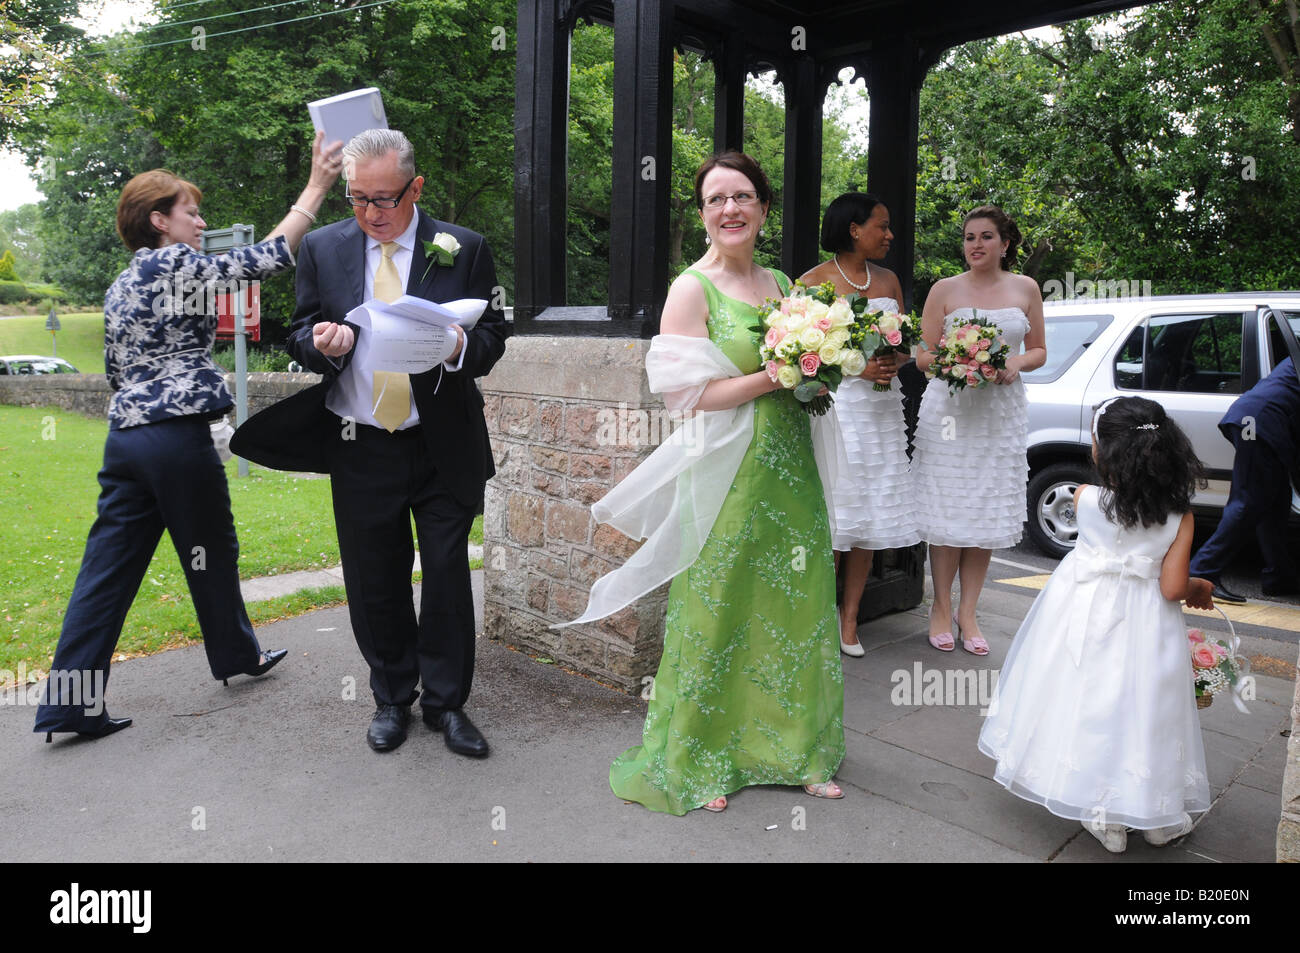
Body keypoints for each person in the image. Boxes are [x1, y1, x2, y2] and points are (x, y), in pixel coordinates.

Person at [34, 131, 343, 742]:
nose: (200, 221)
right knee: (212, 548)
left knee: (106, 571)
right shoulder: (172, 262)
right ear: (159, 220)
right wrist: (317, 186)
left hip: (125, 442)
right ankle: (236, 655)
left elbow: (120, 373)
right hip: (175, 442)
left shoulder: (123, 282)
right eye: (190, 212)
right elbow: (263, 259)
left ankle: (69, 704)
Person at [563, 152, 845, 814]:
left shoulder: (781, 282)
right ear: (702, 214)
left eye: (743, 196)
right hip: (727, 471)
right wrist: (775, 377)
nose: (730, 209)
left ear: (764, 208)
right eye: (716, 199)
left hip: (791, 468)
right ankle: (704, 754)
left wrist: (821, 370)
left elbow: (805, 367)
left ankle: (799, 751)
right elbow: (686, 396)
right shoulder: (692, 289)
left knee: (796, 608)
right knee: (717, 604)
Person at [231, 129, 508, 756]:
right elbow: (298, 330)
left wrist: (463, 346)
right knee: (374, 579)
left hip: (441, 442)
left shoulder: (462, 247)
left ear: (415, 188)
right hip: (359, 442)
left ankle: (446, 706)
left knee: (444, 577)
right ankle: (391, 698)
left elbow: (493, 329)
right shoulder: (325, 249)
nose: (371, 214)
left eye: (385, 199)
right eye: (357, 199)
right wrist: (319, 344)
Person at [978, 397, 1215, 853]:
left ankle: (1101, 813)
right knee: (1148, 709)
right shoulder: (1179, 515)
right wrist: (1199, 587)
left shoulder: (1084, 498)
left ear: (1103, 453)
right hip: (1146, 624)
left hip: (1080, 609)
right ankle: (1158, 816)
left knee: (1087, 699)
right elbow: (1171, 587)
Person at [910, 205, 1045, 654]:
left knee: (985, 510)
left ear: (1005, 244)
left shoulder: (1025, 288)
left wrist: (1016, 361)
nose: (976, 245)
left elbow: (1039, 350)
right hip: (949, 414)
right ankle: (940, 608)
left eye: (987, 237)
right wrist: (960, 362)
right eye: (970, 237)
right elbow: (923, 355)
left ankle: (969, 612)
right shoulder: (944, 290)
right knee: (948, 510)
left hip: (999, 415)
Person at [799, 192, 918, 657]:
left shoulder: (889, 281)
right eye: (881, 226)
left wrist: (893, 359)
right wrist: (857, 367)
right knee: (833, 516)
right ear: (854, 228)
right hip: (838, 412)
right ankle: (819, 616)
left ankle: (850, 621)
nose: (889, 235)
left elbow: (906, 345)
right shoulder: (812, 283)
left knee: (867, 514)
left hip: (882, 413)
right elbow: (800, 359)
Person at [1188, 356, 1300, 603]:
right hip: (1255, 422)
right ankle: (1201, 572)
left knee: (1275, 503)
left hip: (1260, 421)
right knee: (1248, 501)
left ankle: (1280, 576)